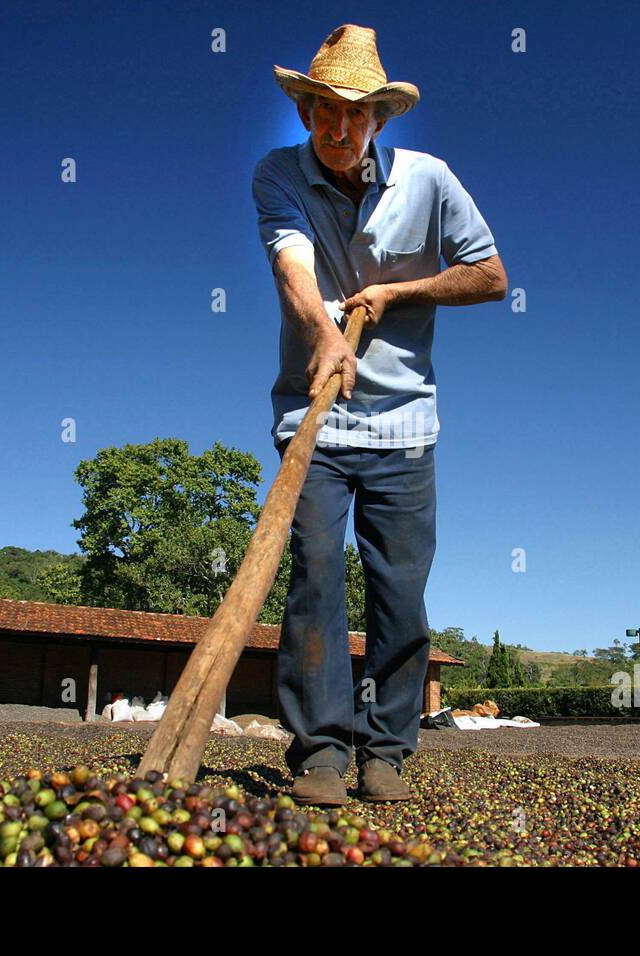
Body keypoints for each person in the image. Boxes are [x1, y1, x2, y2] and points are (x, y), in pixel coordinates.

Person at [252, 24, 506, 805]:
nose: (338, 127)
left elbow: (490, 274)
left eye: (355, 114)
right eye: (324, 109)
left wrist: (401, 292)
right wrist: (326, 332)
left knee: (399, 588)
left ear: (380, 120)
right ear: (305, 110)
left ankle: (387, 748)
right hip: (313, 420)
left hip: (405, 426)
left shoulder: (428, 181)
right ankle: (322, 750)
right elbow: (292, 267)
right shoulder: (277, 176)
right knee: (316, 577)